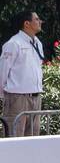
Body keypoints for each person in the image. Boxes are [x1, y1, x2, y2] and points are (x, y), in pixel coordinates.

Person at [0, 10, 45, 138]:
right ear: (26, 23)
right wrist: (4, 95)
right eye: (36, 19)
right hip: (17, 97)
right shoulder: (14, 43)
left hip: (36, 97)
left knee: (32, 138)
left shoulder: (38, 43)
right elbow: (3, 71)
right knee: (14, 137)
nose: (40, 21)